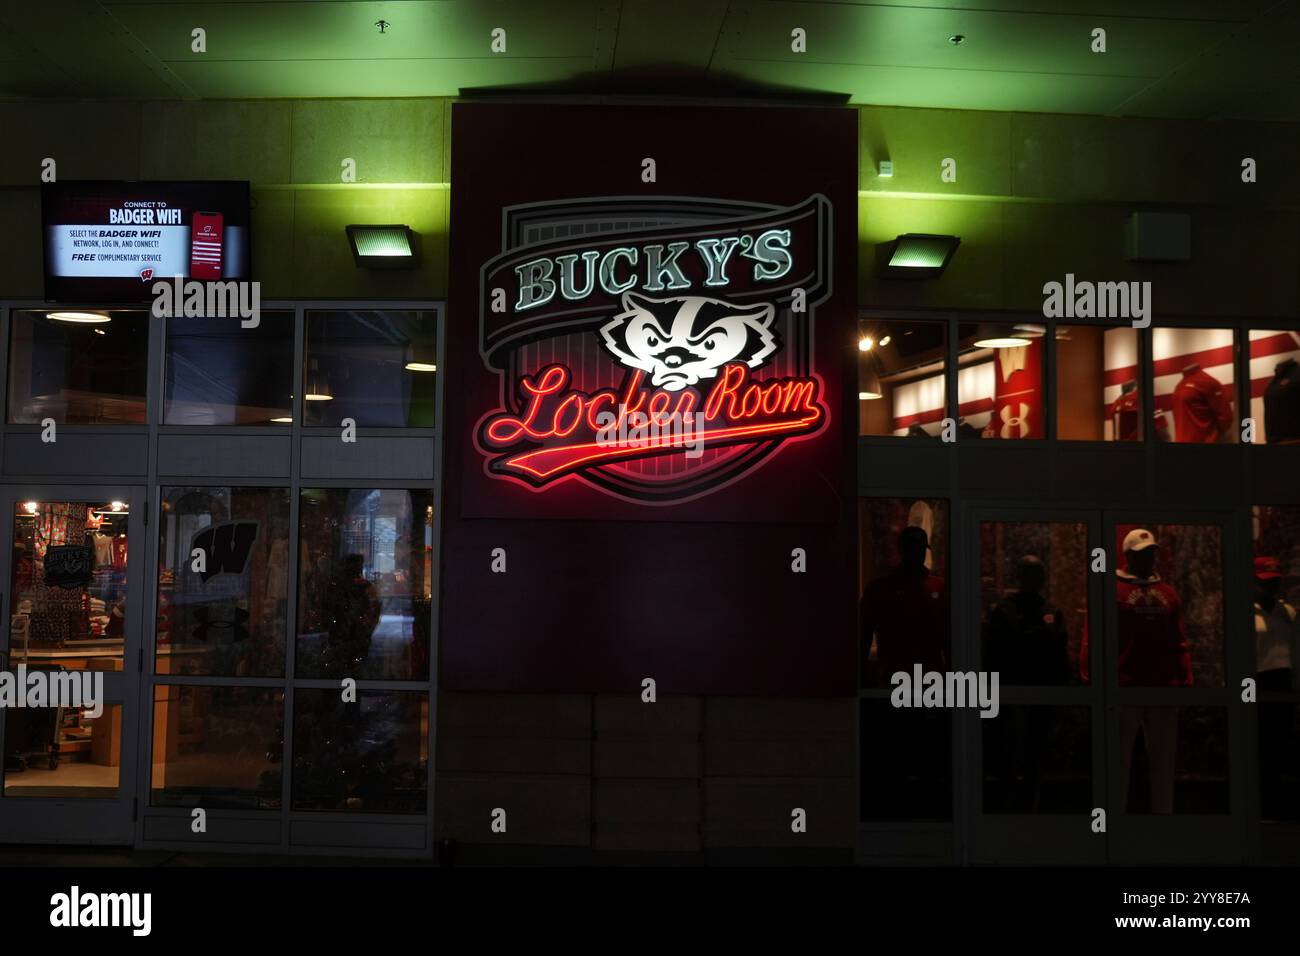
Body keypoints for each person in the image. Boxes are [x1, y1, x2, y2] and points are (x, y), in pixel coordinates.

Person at [1114, 528, 1190, 814]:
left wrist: (1184, 677)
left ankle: (1163, 818)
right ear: (1128, 555)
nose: (1150, 559)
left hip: (1161, 688)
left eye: (1152, 553)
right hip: (1125, 687)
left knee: (1163, 761)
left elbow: (1178, 638)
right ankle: (1115, 819)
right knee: (1118, 762)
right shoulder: (1114, 590)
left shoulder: (1168, 594)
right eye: (1143, 553)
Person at [860, 525, 947, 687]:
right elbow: (863, 634)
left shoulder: (938, 588)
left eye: (920, 550)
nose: (918, 555)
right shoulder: (882, 588)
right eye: (914, 549)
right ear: (903, 551)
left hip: (920, 676)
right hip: (900, 675)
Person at [1254, 555, 1298, 818]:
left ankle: (1274, 803)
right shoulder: (1246, 612)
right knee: (1258, 744)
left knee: (1278, 746)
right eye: (1265, 582)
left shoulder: (1287, 612)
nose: (1271, 587)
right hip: (1258, 678)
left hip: (1282, 680)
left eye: (1274, 582)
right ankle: (1258, 802)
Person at [985, 554, 1071, 685]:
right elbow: (994, 654)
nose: (1035, 580)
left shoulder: (1052, 611)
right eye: (1030, 575)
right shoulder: (1006, 610)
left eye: (1037, 575)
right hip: (1014, 685)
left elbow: (1060, 652)